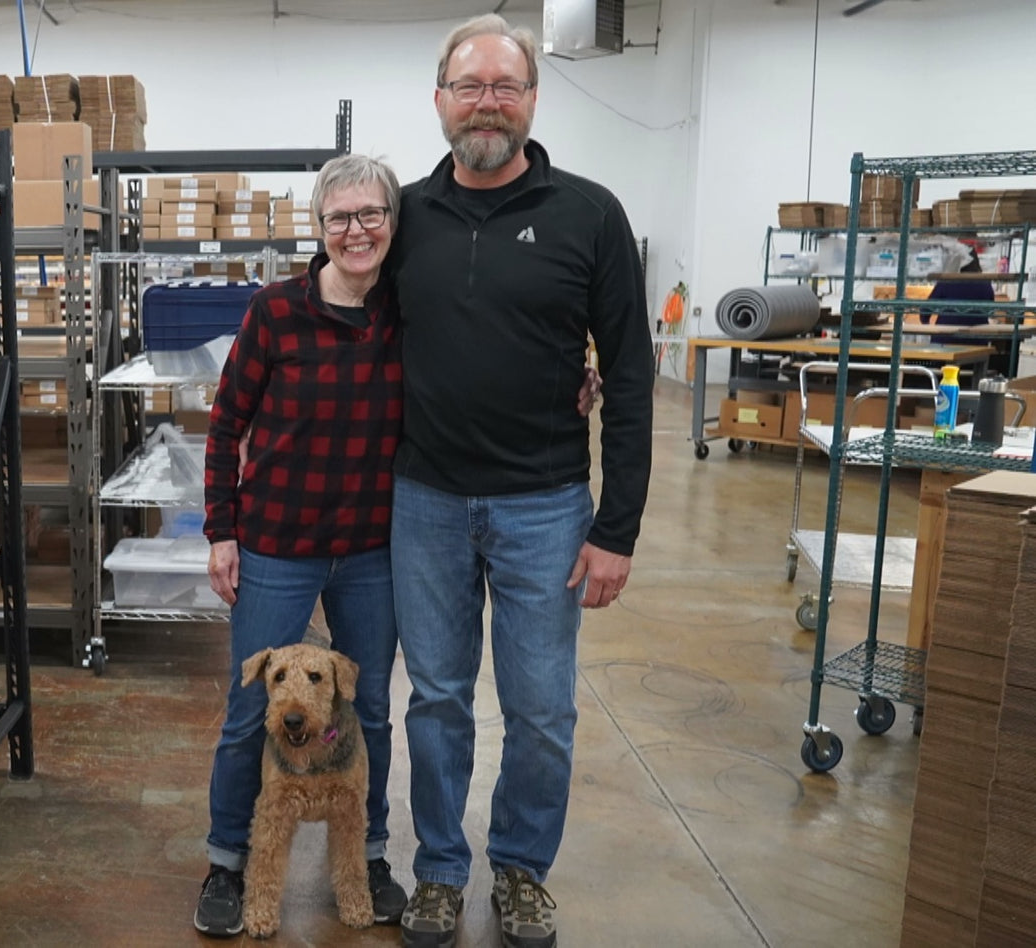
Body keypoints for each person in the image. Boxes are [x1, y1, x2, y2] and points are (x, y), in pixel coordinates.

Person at [389, 14, 654, 948]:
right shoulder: (406, 215)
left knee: (541, 709)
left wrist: (616, 525)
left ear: (533, 99)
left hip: (546, 505)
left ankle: (520, 870)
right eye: (470, 86)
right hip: (422, 501)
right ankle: (437, 872)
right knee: (437, 699)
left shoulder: (590, 213)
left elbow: (628, 373)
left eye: (506, 86)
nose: (487, 102)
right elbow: (341, 301)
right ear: (440, 100)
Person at [195, 153, 409, 938]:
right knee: (253, 709)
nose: (356, 231)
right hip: (278, 542)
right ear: (319, 229)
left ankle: (372, 852)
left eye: (371, 215)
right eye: (340, 218)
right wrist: (223, 529)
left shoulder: (406, 312)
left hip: (371, 549)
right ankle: (227, 862)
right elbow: (226, 426)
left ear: (391, 223)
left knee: (370, 709)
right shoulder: (276, 312)